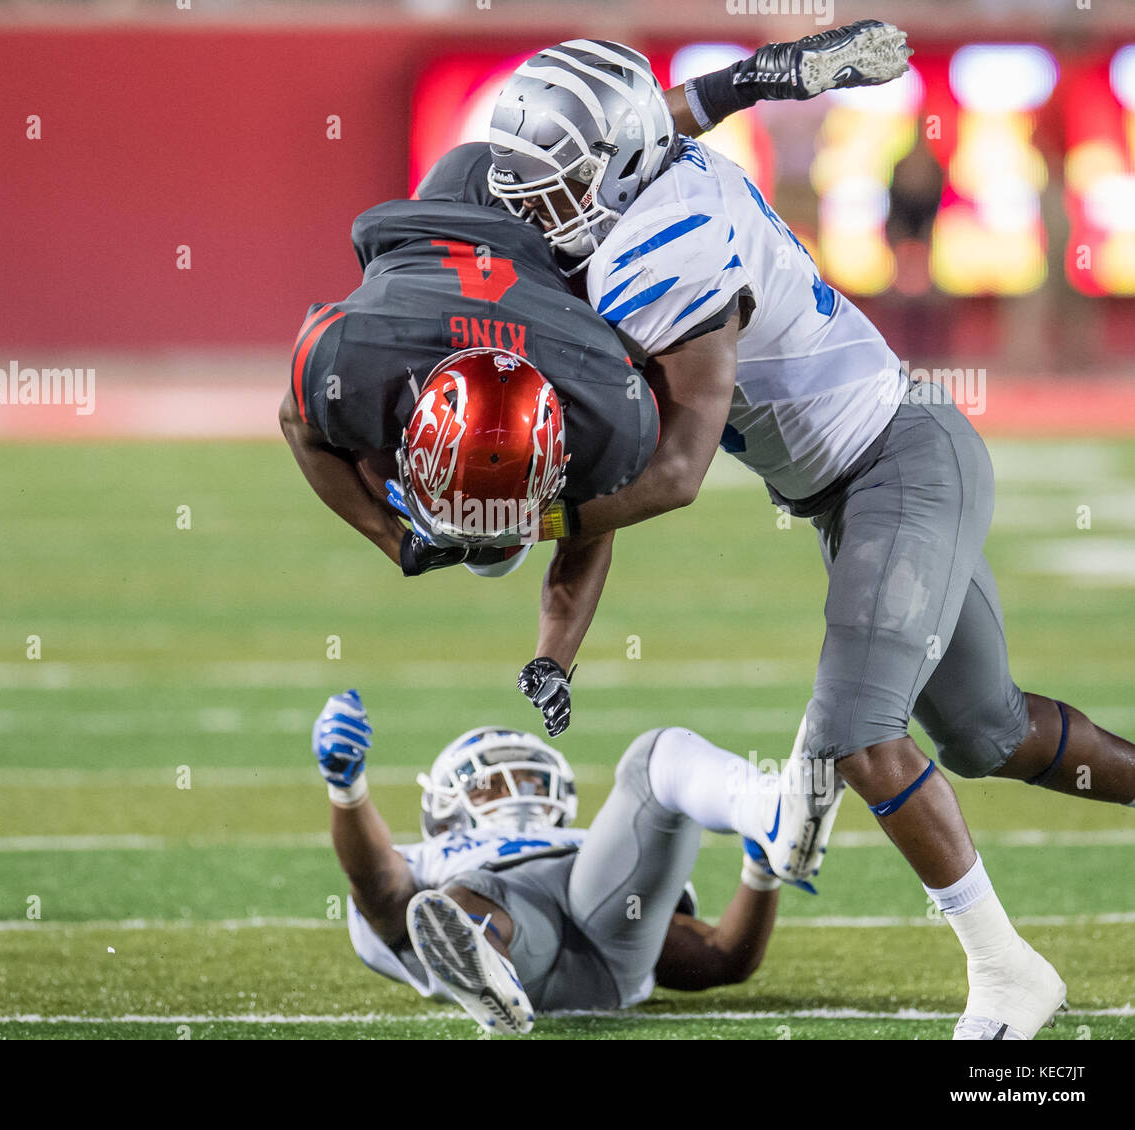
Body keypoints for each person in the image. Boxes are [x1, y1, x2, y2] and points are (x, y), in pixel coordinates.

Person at [482, 37, 1135, 1040]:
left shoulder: (657, 259)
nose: (537, 210)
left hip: (896, 465)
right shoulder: (648, 164)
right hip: (863, 484)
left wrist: (533, 515)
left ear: (611, 170)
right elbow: (678, 107)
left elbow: (668, 475)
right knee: (986, 732)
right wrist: (552, 645)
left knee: (861, 737)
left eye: (556, 186)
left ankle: (1007, 972)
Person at [281, 21, 914, 580]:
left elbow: (668, 478)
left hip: (466, 229)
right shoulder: (373, 373)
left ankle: (740, 84)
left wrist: (424, 541)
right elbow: (302, 422)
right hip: (471, 261)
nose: (528, 203)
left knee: (579, 180)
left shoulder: (371, 364)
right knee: (587, 180)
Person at [310, 689, 841, 1034]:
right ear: (446, 804)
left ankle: (773, 817)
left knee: (658, 753)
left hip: (604, 942)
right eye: (494, 780)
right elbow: (378, 889)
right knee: (458, 896)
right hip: (515, 934)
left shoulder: (586, 842)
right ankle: (483, 960)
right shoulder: (430, 855)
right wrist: (348, 789)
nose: (518, 789)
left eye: (530, 778)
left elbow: (722, 956)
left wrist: (760, 874)